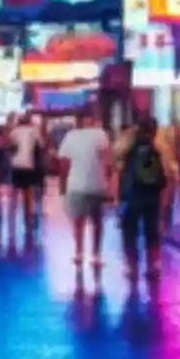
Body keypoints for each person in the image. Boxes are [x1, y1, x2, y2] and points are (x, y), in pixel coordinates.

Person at [58, 109, 112, 269]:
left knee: (78, 222)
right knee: (97, 222)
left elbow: (63, 163)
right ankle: (96, 255)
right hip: (97, 184)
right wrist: (109, 181)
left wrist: (63, 184)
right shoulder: (101, 135)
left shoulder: (70, 137)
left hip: (76, 184)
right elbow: (107, 160)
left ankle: (78, 252)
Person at [118, 116, 171, 279]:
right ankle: (153, 264)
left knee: (129, 232)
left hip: (131, 195)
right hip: (153, 196)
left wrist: (116, 198)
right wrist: (166, 201)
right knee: (152, 231)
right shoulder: (160, 147)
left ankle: (132, 267)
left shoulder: (128, 147)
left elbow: (116, 165)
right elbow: (168, 175)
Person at [8, 113, 45, 241]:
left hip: (15, 165)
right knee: (27, 196)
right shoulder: (34, 131)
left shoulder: (14, 131)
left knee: (14, 195)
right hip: (29, 166)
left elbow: (10, 145)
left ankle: (10, 224)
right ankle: (28, 226)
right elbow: (42, 145)